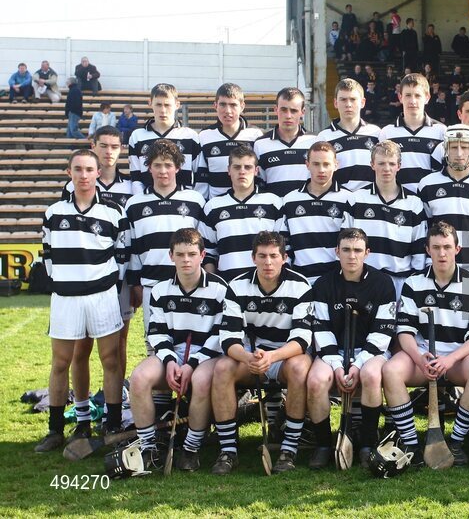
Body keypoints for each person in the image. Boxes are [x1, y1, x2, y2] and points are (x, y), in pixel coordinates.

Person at [35, 149, 128, 453]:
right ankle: (59, 429)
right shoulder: (53, 212)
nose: (84, 175)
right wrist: (63, 283)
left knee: (110, 359)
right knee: (62, 362)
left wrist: (107, 285)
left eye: (89, 169)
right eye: (78, 169)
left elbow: (122, 256)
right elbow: (48, 255)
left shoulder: (114, 212)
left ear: (98, 173)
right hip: (66, 298)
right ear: (69, 173)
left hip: (102, 297)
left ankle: (113, 424)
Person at [382, 222, 469, 466]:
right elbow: (405, 332)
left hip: (457, 357)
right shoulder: (414, 283)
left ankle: (456, 442)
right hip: (423, 356)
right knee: (390, 370)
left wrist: (450, 360)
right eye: (436, 247)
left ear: (457, 249)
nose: (442, 253)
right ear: (427, 250)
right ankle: (411, 444)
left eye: (447, 247)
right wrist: (419, 359)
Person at [209, 231, 313, 475]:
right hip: (251, 358)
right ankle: (228, 451)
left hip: (284, 357)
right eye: (262, 256)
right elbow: (229, 339)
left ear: (284, 258)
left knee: (300, 367)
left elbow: (301, 340)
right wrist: (249, 358)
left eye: (274, 256)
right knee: (222, 368)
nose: (268, 262)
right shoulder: (237, 286)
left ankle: (289, 449)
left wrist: (271, 357)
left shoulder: (300, 285)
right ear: (253, 257)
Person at [128, 229, 227, 472]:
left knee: (201, 381)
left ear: (202, 255)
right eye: (180, 254)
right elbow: (157, 333)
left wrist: (191, 364)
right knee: (138, 378)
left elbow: (220, 335)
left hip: (206, 356)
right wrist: (171, 361)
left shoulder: (220, 289)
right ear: (171, 256)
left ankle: (191, 449)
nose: (186, 260)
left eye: (192, 254)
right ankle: (149, 449)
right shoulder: (160, 290)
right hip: (171, 354)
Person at [306, 228, 397, 468]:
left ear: (367, 253)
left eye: (357, 250)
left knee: (371, 375)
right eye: (346, 250)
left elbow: (382, 332)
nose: (352, 256)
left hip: (371, 352)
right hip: (332, 352)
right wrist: (337, 366)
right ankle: (323, 445)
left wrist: (358, 364)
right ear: (337, 252)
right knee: (315, 381)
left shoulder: (383, 283)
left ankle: (367, 444)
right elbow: (321, 330)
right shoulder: (323, 284)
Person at [63, 127, 135, 416]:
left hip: (119, 277)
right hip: (85, 279)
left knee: (119, 342)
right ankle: (82, 406)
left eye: (114, 146)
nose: (108, 151)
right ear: (93, 146)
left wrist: (130, 277)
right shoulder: (74, 186)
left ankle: (114, 398)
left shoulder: (131, 187)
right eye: (103, 145)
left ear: (121, 150)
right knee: (82, 346)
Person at [124, 140, 206, 346]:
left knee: (190, 344)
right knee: (154, 344)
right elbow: (132, 248)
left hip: (189, 285)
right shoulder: (134, 204)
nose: (163, 171)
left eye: (168, 165)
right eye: (157, 165)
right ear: (149, 168)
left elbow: (203, 245)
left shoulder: (195, 200)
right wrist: (135, 284)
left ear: (177, 168)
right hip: (152, 285)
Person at [418, 124, 469, 282]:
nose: (459, 153)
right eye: (453, 147)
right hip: (439, 268)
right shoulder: (427, 184)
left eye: (464, 147)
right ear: (445, 149)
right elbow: (424, 229)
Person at [348, 140, 428, 297]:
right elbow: (347, 243)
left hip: (400, 282)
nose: (386, 169)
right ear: (372, 164)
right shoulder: (356, 200)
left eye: (391, 164)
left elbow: (419, 250)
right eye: (381, 163)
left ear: (399, 166)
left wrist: (416, 283)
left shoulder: (414, 203)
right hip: (364, 281)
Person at [200, 146, 285, 282]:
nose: (242, 172)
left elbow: (284, 248)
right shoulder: (213, 206)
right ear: (229, 170)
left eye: (248, 167)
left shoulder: (273, 203)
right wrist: (213, 283)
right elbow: (208, 253)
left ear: (256, 171)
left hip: (266, 285)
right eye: (237, 167)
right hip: (228, 285)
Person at [281, 141, 353, 285]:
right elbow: (284, 242)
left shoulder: (348, 199)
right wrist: (288, 274)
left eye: (326, 164)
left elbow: (350, 243)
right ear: (307, 165)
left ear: (336, 165)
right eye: (316, 164)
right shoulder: (290, 200)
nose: (321, 170)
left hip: (335, 282)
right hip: (299, 281)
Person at [194, 83, 264, 200]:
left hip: (249, 203)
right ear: (215, 106)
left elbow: (260, 174)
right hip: (217, 204)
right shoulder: (204, 136)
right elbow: (202, 177)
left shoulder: (255, 135)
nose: (228, 111)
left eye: (233, 105)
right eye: (223, 104)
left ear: (242, 106)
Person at [128, 83, 200, 194]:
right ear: (150, 103)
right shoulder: (137, 137)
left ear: (177, 105)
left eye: (167, 105)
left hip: (184, 201)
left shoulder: (190, 136)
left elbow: (199, 177)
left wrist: (193, 200)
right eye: (158, 104)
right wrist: (142, 200)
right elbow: (136, 178)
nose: (163, 110)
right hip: (148, 201)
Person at [378, 73, 445, 194]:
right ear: (400, 97)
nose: (412, 101)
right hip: (400, 201)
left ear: (427, 97)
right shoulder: (387, 133)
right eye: (408, 95)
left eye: (417, 95)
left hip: (431, 199)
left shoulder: (441, 131)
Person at [254, 87, 320, 198]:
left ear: (303, 112)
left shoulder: (315, 141)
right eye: (283, 110)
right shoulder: (261, 144)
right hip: (274, 207)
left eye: (294, 111)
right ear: (276, 110)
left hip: (305, 207)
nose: (288, 116)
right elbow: (259, 184)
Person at [319, 79, 381, 191]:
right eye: (343, 99)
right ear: (335, 103)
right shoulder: (324, 137)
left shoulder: (376, 133)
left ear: (362, 102)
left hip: (371, 199)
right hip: (339, 199)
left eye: (353, 99)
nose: (348, 104)